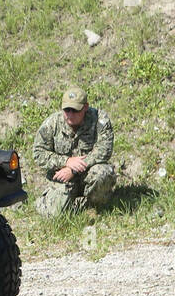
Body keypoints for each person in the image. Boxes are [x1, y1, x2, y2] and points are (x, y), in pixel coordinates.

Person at [31, 86, 115, 217]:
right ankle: (56, 202)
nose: (70, 115)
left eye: (75, 110)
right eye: (66, 110)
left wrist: (74, 169)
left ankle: (94, 206)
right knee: (54, 214)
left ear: (85, 107)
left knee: (102, 174)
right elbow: (38, 153)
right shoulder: (52, 124)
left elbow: (104, 150)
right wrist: (66, 161)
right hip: (62, 175)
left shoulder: (99, 120)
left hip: (88, 172)